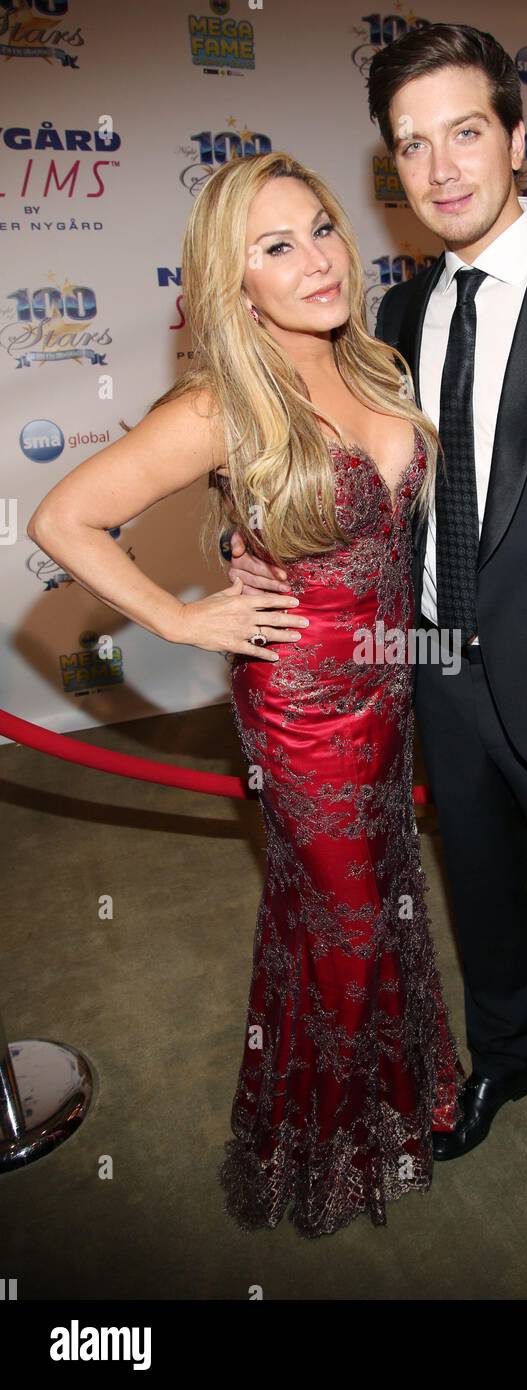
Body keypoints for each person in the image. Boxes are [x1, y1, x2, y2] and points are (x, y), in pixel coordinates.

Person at [226, 24, 527, 1260]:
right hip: (433, 676)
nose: (440, 168)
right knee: (484, 901)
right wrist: (247, 554)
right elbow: (328, 467)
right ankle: (501, 1063)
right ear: (390, 167)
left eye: (463, 132)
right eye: (410, 146)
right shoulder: (390, 308)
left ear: (512, 136)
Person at [26, 150, 467, 1240]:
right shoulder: (218, 403)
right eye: (277, 246)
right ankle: (322, 1140)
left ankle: (403, 1099)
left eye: (320, 228)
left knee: (372, 905)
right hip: (305, 705)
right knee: (350, 926)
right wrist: (181, 615)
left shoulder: (372, 365)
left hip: (389, 687)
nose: (318, 260)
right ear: (234, 282)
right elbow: (62, 517)